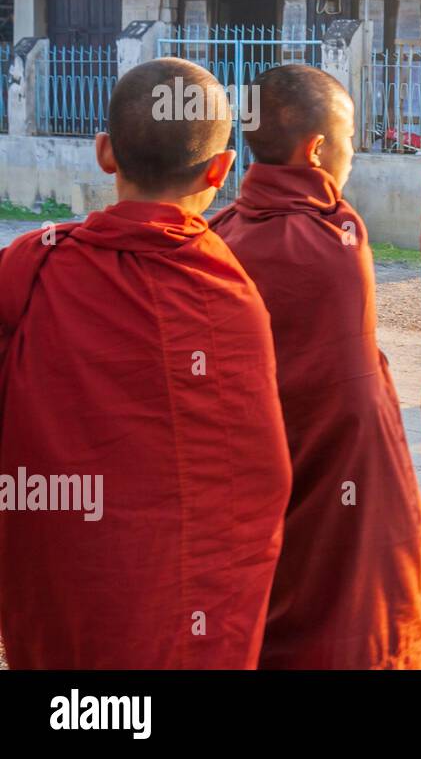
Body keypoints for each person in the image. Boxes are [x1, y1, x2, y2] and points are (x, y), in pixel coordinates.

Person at [0, 58, 292, 667]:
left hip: (68, 597)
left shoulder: (32, 267)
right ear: (222, 169)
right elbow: (262, 478)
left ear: (104, 153)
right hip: (188, 611)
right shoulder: (230, 293)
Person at [210, 65, 421, 669]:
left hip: (252, 493)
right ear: (317, 151)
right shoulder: (335, 234)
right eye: (349, 139)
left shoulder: (216, 238)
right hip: (339, 476)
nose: (354, 155)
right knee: (350, 622)